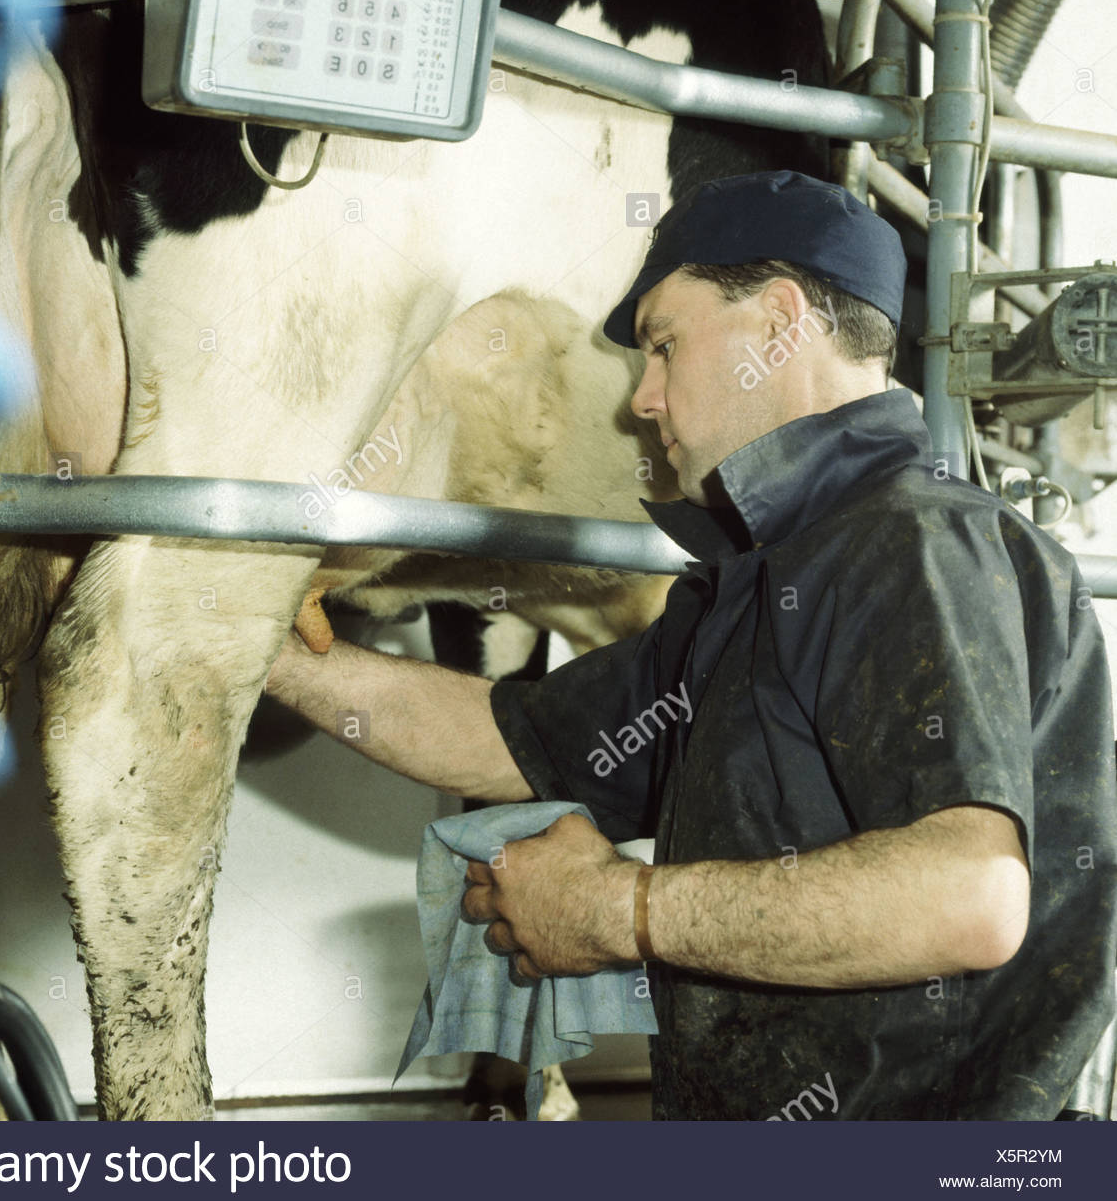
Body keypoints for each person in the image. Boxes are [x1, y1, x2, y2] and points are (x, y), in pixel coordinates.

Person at [267, 169, 1117, 1120]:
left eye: (665, 346)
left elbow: (966, 897)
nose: (643, 398)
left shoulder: (911, 543)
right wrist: (269, 646)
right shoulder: (758, 586)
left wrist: (615, 913)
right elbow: (505, 738)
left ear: (781, 320)